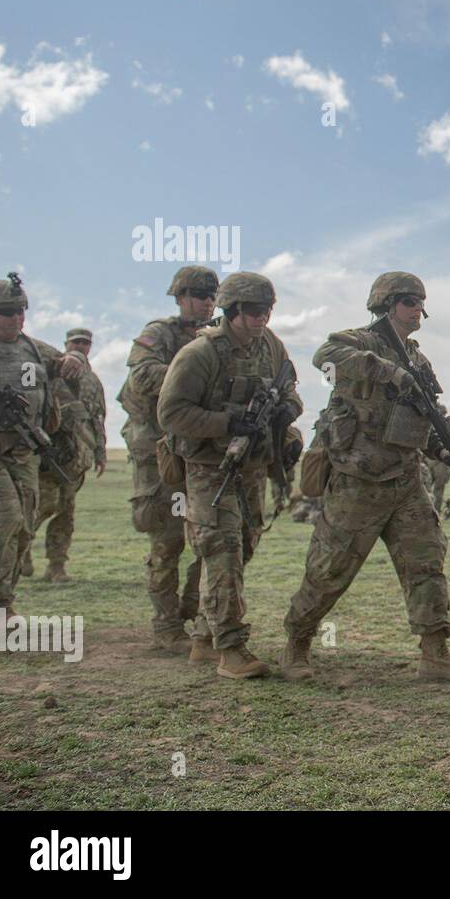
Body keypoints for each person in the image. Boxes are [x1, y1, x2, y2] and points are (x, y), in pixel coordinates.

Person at [281, 272, 450, 682]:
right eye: (410, 302)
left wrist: (446, 450)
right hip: (358, 479)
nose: (418, 311)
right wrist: (388, 372)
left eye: (422, 303)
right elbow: (325, 356)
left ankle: (435, 653)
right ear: (388, 304)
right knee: (330, 568)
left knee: (426, 562)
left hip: (406, 481)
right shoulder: (358, 343)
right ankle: (296, 644)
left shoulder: (418, 360)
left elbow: (424, 417)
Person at [157, 272, 302, 679]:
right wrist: (228, 422)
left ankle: (204, 637)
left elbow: (289, 386)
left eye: (267, 311)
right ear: (232, 311)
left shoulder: (270, 346)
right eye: (253, 311)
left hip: (254, 466)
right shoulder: (200, 353)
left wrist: (289, 408)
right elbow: (171, 414)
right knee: (221, 549)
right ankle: (231, 649)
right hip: (209, 468)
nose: (261, 319)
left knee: (244, 547)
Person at [118, 266, 218, 655]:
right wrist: (195, 374)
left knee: (208, 539)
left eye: (211, 294)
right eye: (197, 293)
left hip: (202, 450)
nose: (206, 300)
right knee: (167, 539)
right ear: (179, 297)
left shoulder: (219, 337)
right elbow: (142, 376)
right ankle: (165, 625)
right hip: (160, 451)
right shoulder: (159, 333)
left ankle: (194, 614)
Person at [0, 273, 80, 619]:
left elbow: (66, 362)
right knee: (5, 519)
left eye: (21, 310)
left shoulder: (31, 347)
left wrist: (72, 361)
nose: (16, 318)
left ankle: (3, 601)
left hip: (25, 453)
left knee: (23, 527)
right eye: (7, 312)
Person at [27, 329, 107, 583]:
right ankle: (20, 550)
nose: (81, 346)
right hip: (53, 455)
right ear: (66, 344)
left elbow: (98, 419)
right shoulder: (56, 371)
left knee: (66, 513)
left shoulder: (93, 380)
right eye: (76, 342)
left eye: (85, 343)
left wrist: (100, 452)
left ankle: (57, 566)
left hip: (78, 459)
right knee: (43, 505)